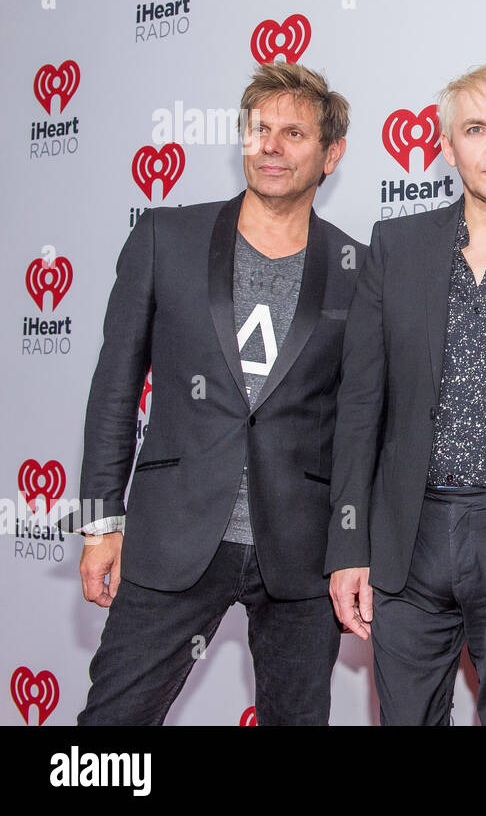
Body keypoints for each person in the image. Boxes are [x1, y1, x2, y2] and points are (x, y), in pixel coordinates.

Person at [71, 62, 362, 725]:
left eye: (293, 133)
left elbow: (360, 422)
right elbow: (115, 385)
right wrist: (100, 522)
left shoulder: (358, 268)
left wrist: (355, 547)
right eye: (259, 129)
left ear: (331, 153)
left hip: (300, 554)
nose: (270, 145)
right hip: (172, 535)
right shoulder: (164, 239)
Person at [326, 63, 486, 725]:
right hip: (408, 535)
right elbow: (359, 406)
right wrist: (348, 544)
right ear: (445, 146)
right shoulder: (396, 245)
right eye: (476, 128)